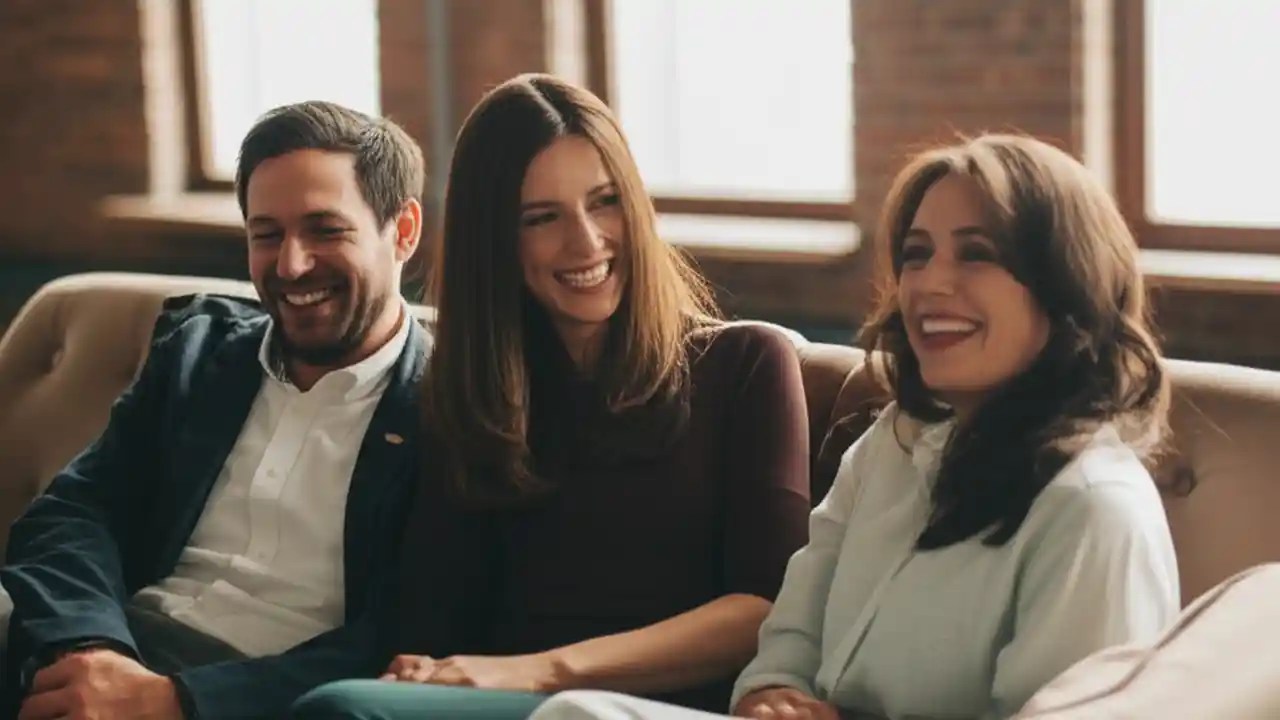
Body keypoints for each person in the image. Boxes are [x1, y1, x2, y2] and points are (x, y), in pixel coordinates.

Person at [525, 134, 1181, 720]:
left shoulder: (1091, 510)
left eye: (976, 254)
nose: (929, 283)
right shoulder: (891, 444)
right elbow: (792, 632)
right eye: (917, 255)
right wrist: (772, 693)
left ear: (1068, 287)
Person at [290, 73, 813, 720]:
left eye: (605, 201)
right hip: (506, 705)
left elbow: (767, 608)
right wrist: (428, 672)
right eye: (541, 218)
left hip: (655, 708)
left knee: (342, 711)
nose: (586, 241)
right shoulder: (467, 394)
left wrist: (540, 672)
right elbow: (430, 624)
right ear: (494, 241)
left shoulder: (747, 364)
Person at [1, 101, 429, 719]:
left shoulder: (451, 411)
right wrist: (91, 651)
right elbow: (76, 510)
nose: (291, 265)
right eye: (267, 235)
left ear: (404, 231)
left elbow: (408, 634)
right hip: (108, 644)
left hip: (255, 695)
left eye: (325, 230)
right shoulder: (198, 353)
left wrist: (177, 701)